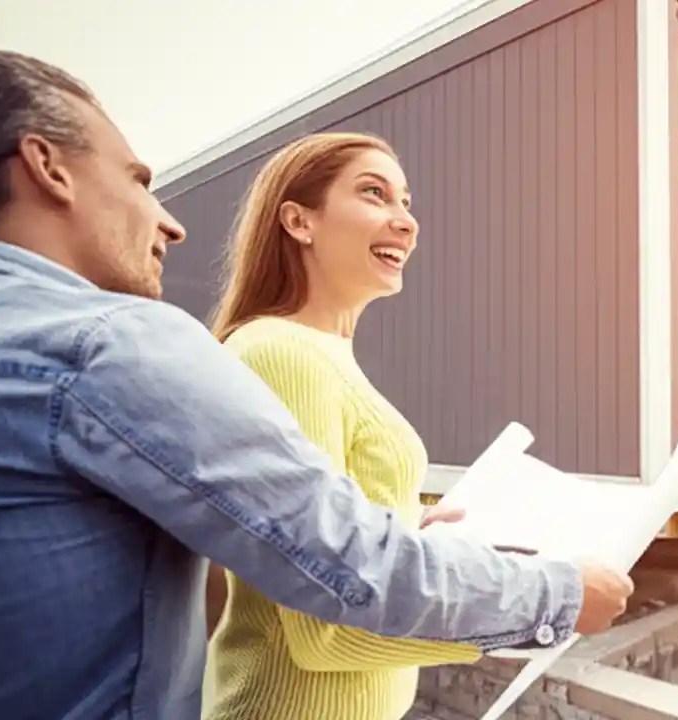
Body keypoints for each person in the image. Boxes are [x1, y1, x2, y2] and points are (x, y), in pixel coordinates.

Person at [0, 47, 633, 720]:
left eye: (407, 200)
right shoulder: (116, 344)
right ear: (48, 168)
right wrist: (558, 594)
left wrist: (400, 529)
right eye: (139, 181)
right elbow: (337, 578)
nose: (170, 222)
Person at [198, 130, 497, 719]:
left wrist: (404, 528)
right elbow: (322, 624)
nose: (406, 221)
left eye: (405, 202)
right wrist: (511, 619)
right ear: (299, 222)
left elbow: (329, 535)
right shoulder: (281, 353)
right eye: (374, 193)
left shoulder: (323, 355)